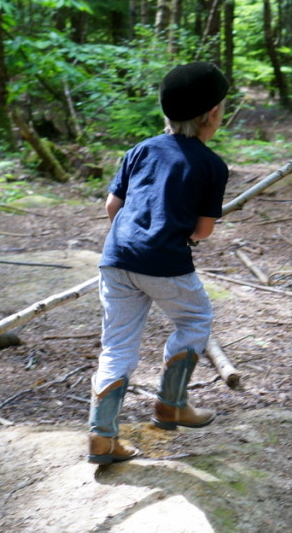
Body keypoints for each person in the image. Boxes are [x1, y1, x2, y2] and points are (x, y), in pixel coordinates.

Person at [88, 61, 230, 465]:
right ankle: (170, 404)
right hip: (166, 263)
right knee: (195, 319)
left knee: (116, 346)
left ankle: (102, 436)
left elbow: (112, 206)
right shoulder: (211, 165)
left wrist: (133, 237)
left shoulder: (139, 150)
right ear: (213, 115)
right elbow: (202, 232)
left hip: (116, 260)